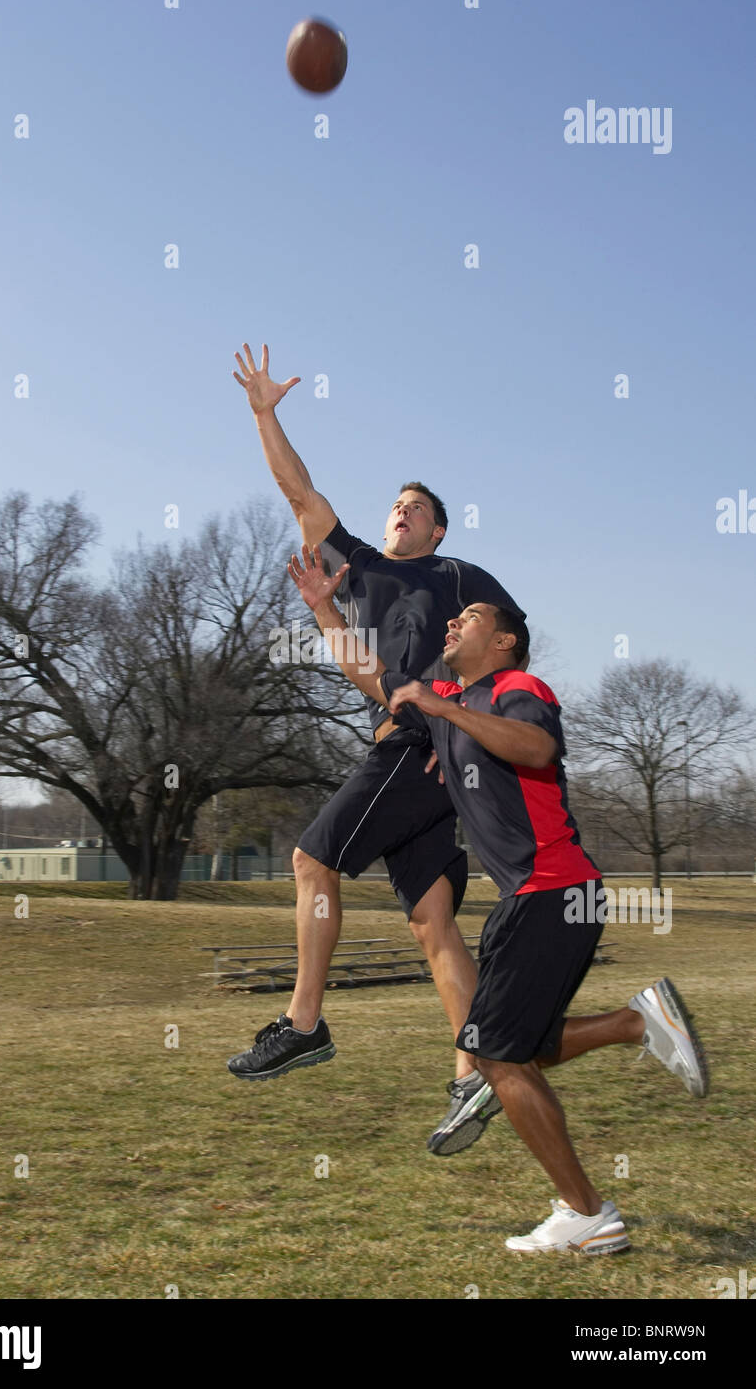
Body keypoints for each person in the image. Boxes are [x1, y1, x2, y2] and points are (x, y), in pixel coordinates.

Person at [289, 544, 709, 1253]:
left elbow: (534, 749)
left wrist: (445, 716)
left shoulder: (520, 689)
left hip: (555, 892)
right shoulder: (449, 701)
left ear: (505, 639)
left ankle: (586, 1213)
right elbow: (372, 673)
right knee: (514, 1048)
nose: (453, 623)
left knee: (495, 1056)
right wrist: (324, 609)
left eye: (470, 617)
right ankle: (636, 1025)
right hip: (538, 897)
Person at [228, 343, 523, 1154]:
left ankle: (304, 1022)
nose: (400, 511)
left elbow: (512, 652)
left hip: (426, 745)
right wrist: (264, 413)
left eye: (415, 506)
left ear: (437, 527)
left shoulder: (460, 577)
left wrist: (462, 725)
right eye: (394, 502)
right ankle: (476, 1073)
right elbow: (298, 493)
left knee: (311, 862)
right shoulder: (353, 568)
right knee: (433, 923)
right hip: (413, 741)